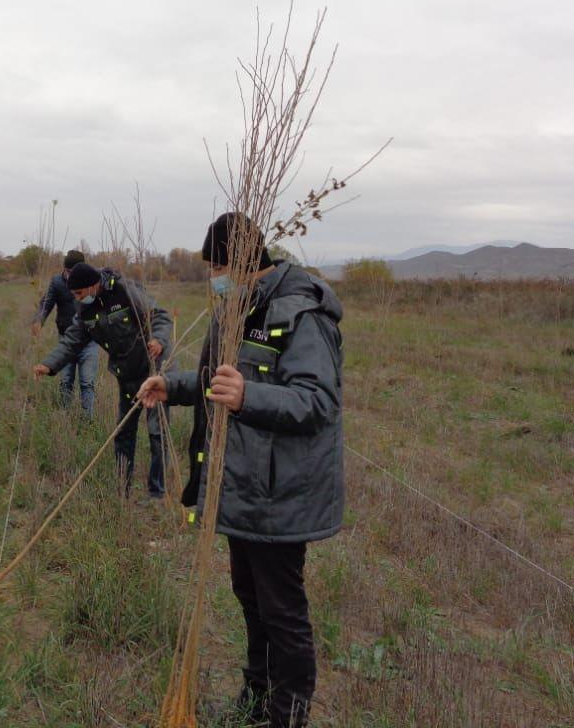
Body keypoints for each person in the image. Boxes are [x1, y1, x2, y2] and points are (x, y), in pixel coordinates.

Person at [138, 213, 344, 728]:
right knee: (250, 601)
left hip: (280, 494)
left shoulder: (301, 313)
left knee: (283, 614)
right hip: (243, 486)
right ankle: (254, 702)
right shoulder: (242, 308)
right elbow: (219, 379)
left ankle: (287, 716)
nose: (213, 278)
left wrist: (250, 396)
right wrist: (177, 386)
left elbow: (318, 402)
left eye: (215, 266)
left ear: (238, 263)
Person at [33, 261, 173, 496]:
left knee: (157, 432)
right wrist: (48, 365)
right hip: (126, 374)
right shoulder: (85, 310)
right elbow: (71, 340)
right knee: (124, 432)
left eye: (79, 293)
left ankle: (157, 491)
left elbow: (159, 315)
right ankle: (122, 489)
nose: (77, 298)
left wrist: (158, 339)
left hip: (154, 370)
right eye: (73, 294)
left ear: (93, 285)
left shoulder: (125, 290)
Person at [31, 249, 99, 417]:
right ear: (64, 269)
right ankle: (65, 416)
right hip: (66, 340)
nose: (71, 276)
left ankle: (87, 420)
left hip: (89, 342)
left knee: (87, 382)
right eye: (69, 272)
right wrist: (39, 319)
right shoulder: (57, 282)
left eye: (75, 272)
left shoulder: (91, 282)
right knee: (66, 380)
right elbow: (46, 304)